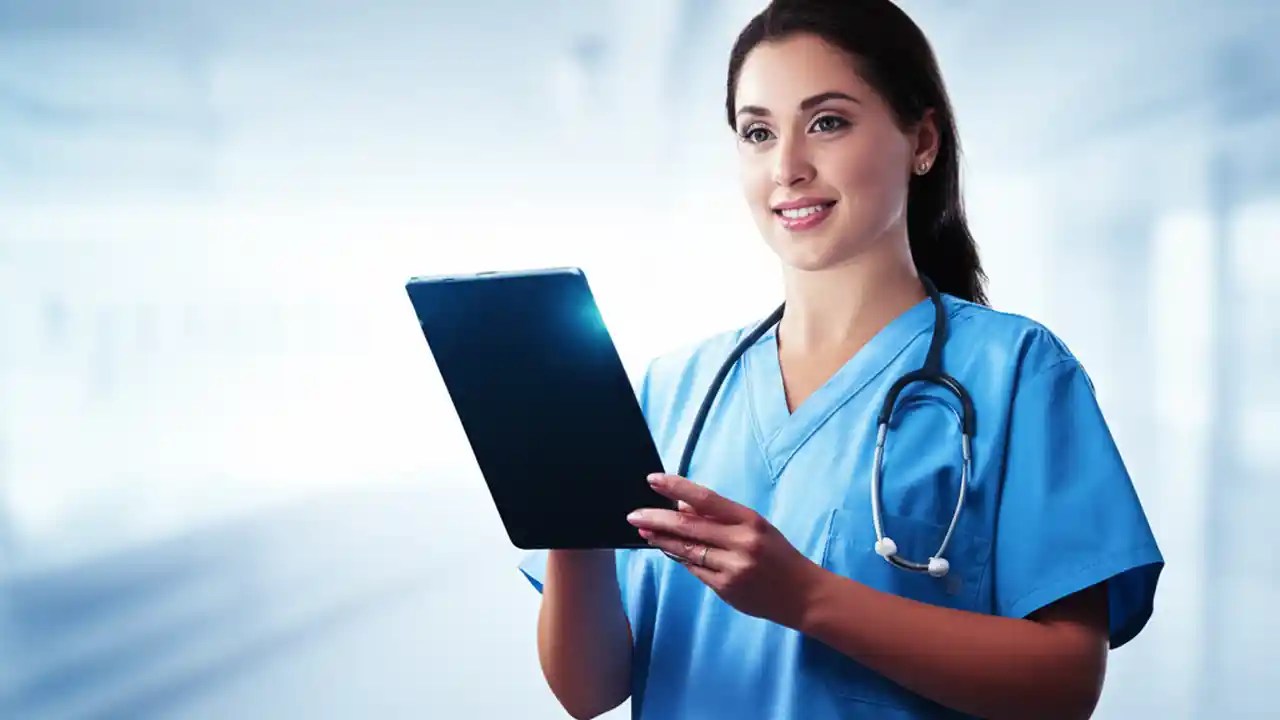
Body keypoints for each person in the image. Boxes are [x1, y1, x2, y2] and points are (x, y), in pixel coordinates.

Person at [517, 1, 1164, 718]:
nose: (787, 167)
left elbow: (1066, 685)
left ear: (922, 141)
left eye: (827, 122)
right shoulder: (671, 389)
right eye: (758, 133)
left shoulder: (1016, 372)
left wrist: (807, 597)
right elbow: (590, 692)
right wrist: (563, 515)